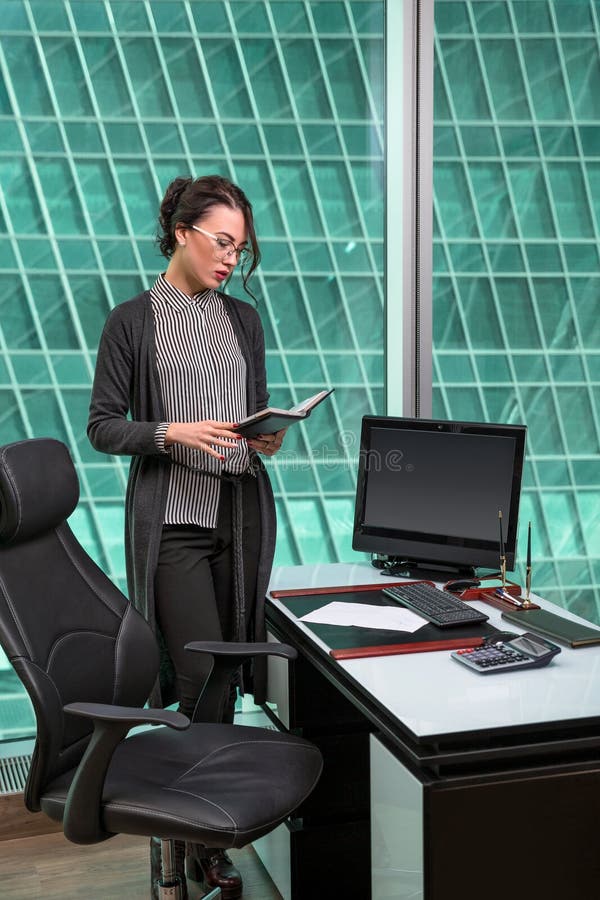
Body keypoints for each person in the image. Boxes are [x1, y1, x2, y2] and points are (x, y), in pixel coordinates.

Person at [87, 174, 285, 899]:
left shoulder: (243, 320)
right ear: (181, 233)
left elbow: (250, 408)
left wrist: (265, 439)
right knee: (196, 673)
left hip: (239, 512)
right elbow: (104, 425)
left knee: (230, 672)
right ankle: (184, 835)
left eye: (242, 248)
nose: (233, 258)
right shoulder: (131, 322)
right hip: (174, 522)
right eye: (222, 242)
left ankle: (203, 835)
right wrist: (171, 430)